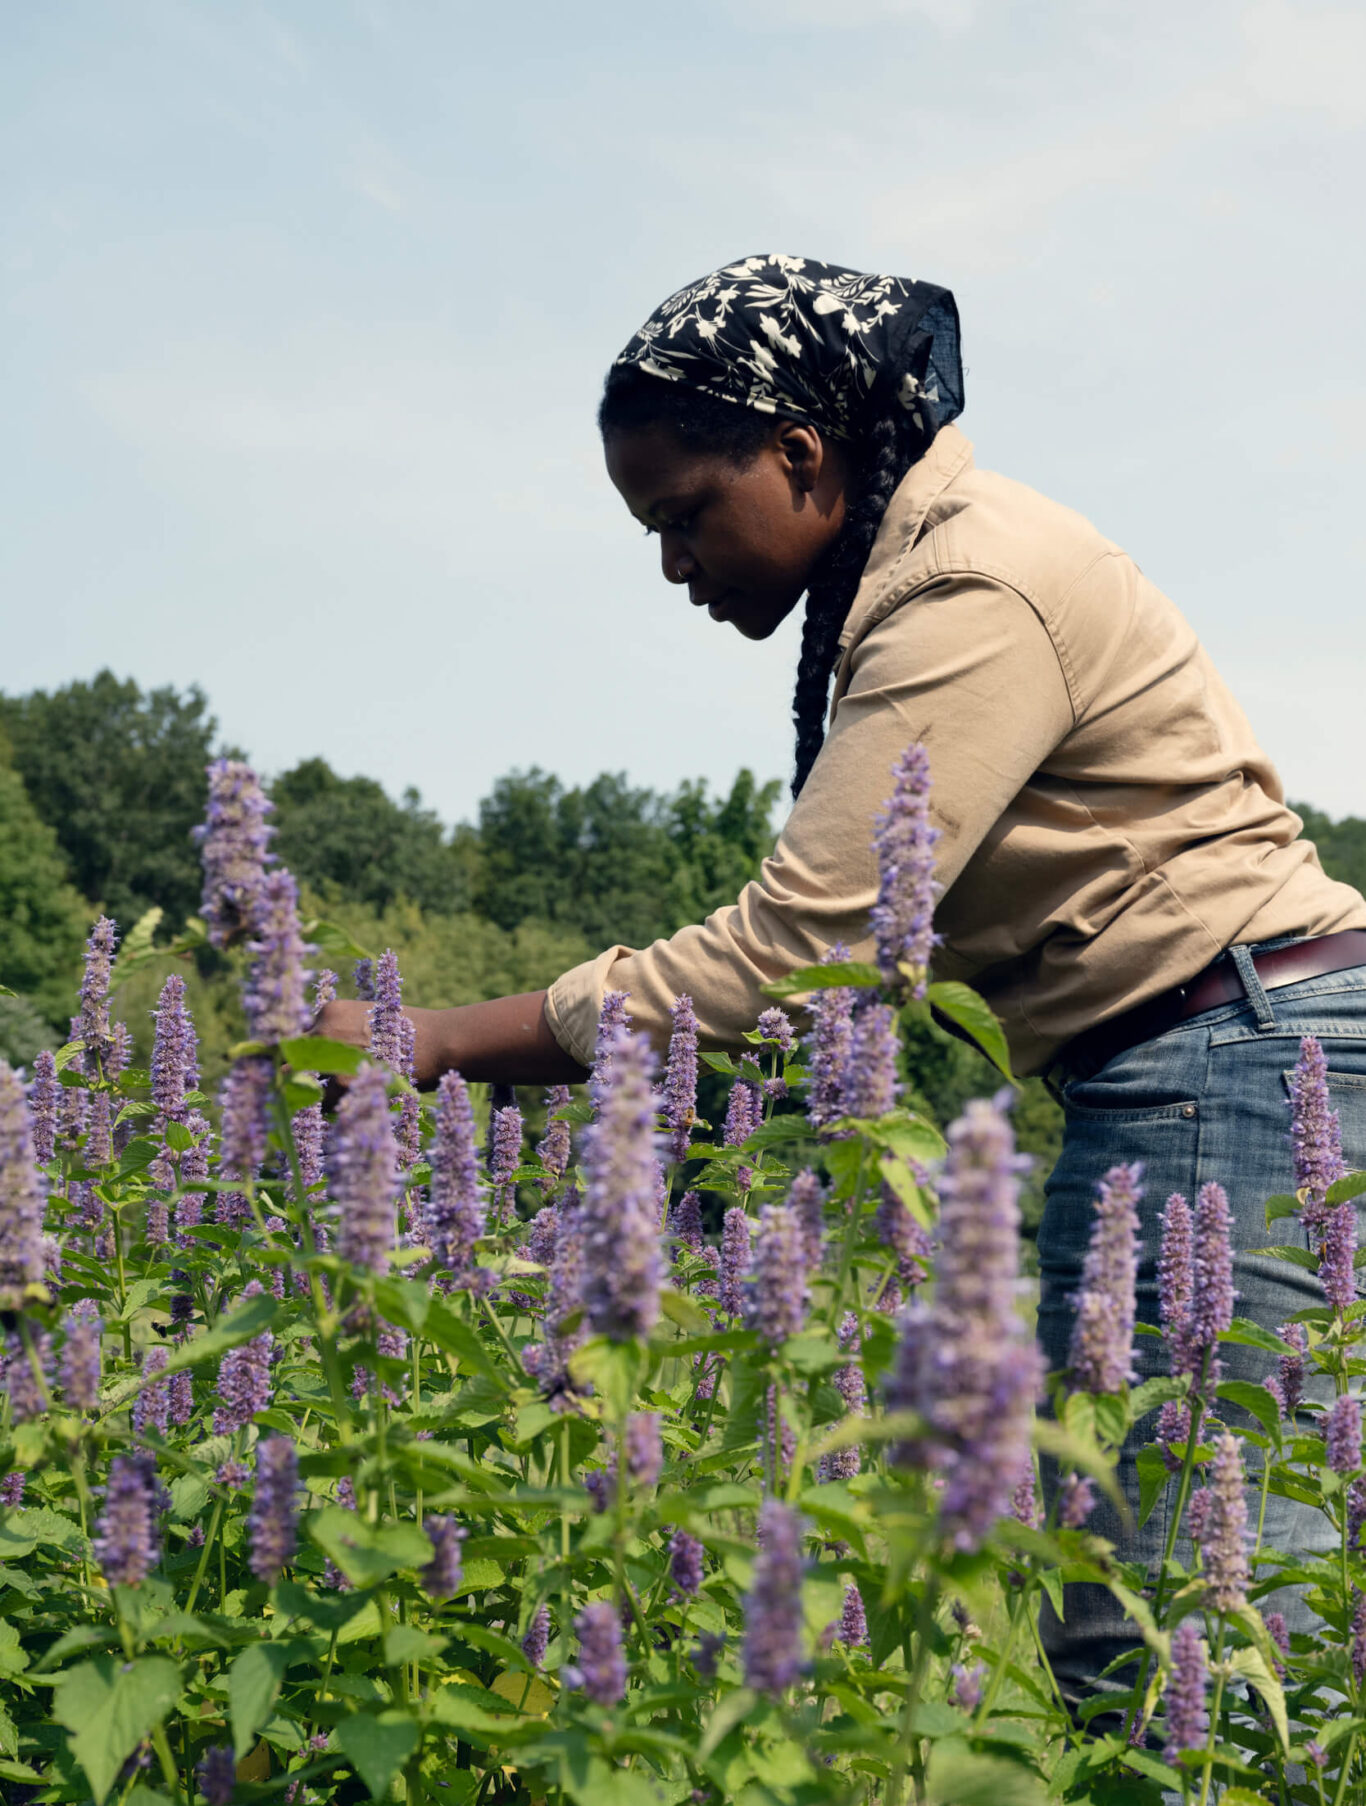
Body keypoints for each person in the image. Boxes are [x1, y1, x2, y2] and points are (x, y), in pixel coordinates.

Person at [317, 252, 1366, 1714]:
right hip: (1210, 1055)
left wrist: (426, 1040)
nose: (674, 564)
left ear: (801, 451)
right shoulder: (900, 574)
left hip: (1235, 1062)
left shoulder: (966, 589)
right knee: (1163, 1607)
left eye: (686, 514)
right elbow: (814, 1001)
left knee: (1179, 1625)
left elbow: (802, 946)